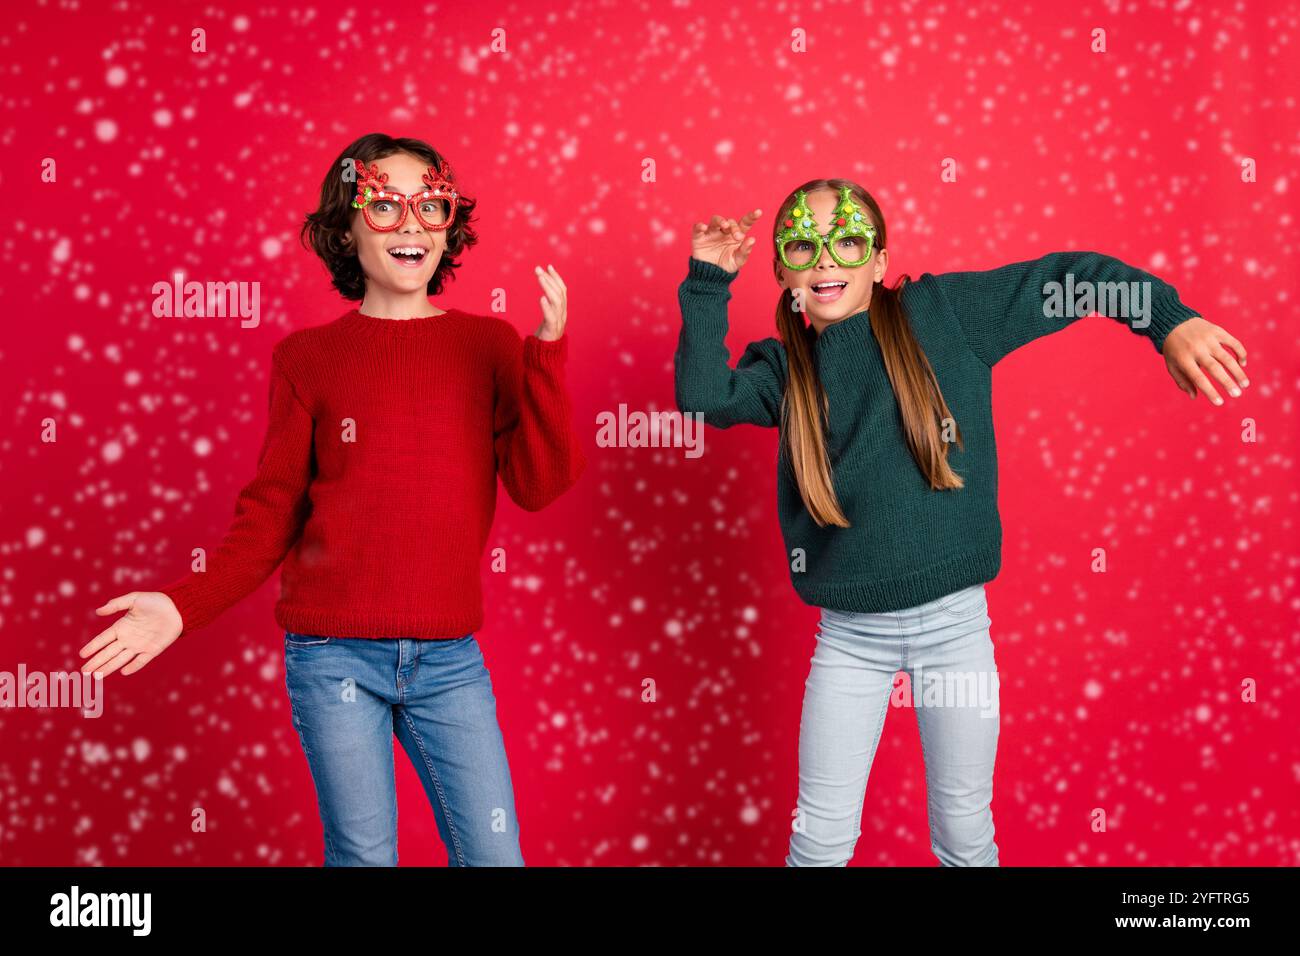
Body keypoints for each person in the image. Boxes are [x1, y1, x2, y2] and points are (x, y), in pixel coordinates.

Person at [674, 179, 1248, 866]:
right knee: (820, 837)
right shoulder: (783, 369)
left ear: (880, 261)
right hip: (850, 643)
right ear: (782, 270)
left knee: (964, 831)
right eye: (803, 246)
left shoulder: (942, 314)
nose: (826, 261)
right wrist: (708, 280)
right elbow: (704, 396)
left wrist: (1167, 320)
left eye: (848, 242)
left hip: (955, 634)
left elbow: (1070, 279)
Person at [79, 133, 586, 866]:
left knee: (495, 854)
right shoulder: (307, 360)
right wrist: (182, 605)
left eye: (429, 205)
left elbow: (540, 485)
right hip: (332, 657)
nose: (411, 224)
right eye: (384, 206)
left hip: (450, 661)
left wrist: (546, 352)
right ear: (347, 229)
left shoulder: (491, 347)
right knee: (363, 853)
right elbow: (268, 517)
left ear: (449, 224)